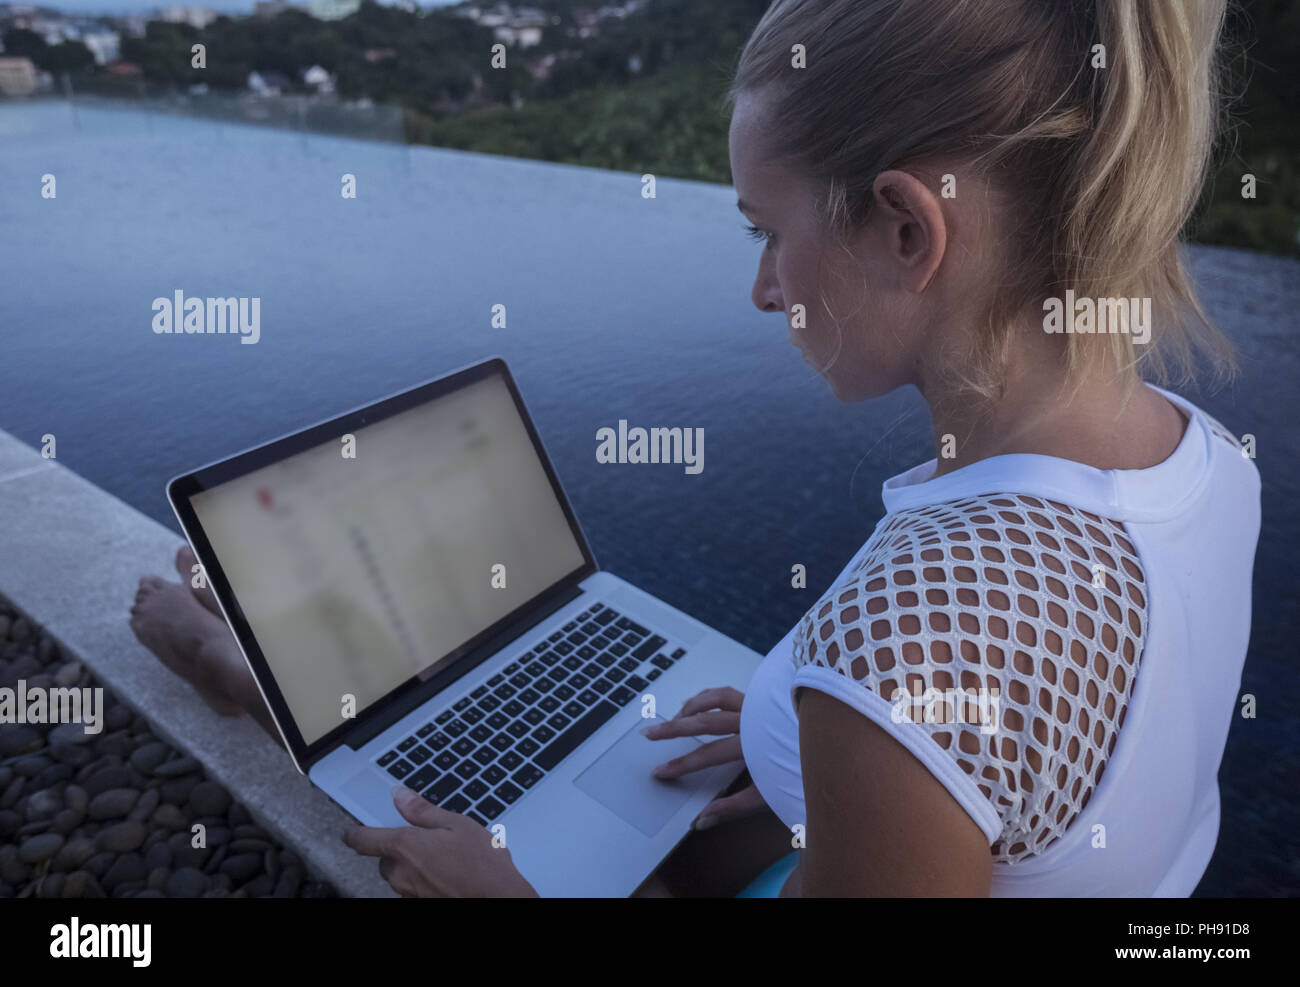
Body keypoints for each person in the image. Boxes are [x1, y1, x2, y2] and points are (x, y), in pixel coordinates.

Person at [131, 0, 1260, 896]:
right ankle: (266, 673)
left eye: (768, 234)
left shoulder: (908, 643)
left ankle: (246, 670)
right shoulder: (1207, 459)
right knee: (646, 782)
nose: (763, 291)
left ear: (910, 229)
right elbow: (1024, 777)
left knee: (514, 827)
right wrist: (808, 742)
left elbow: (934, 693)